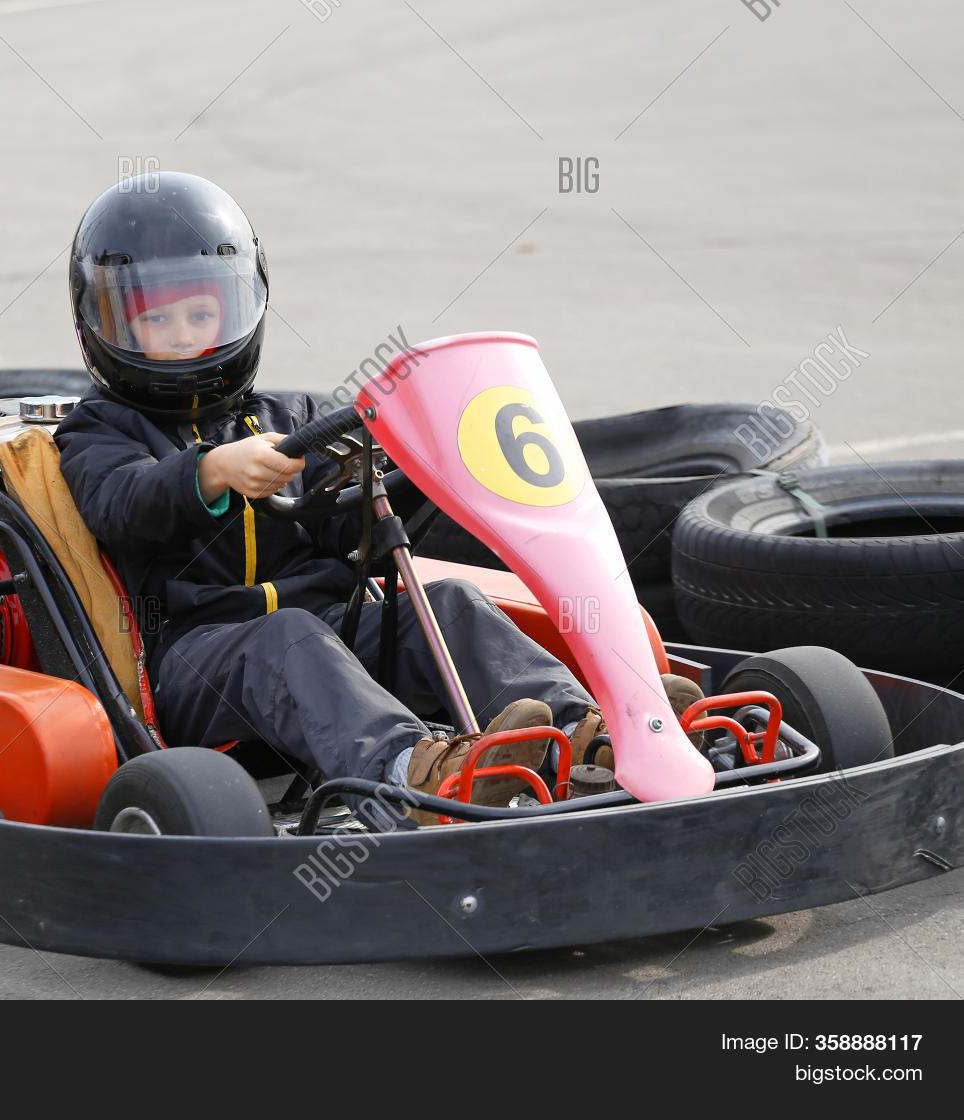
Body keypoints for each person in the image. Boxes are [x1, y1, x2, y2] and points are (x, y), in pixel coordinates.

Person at [53, 172, 699, 823]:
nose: (186, 336)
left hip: (329, 639)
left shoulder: (296, 413)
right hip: (195, 662)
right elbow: (123, 504)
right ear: (104, 322)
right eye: (157, 319)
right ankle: (412, 774)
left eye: (201, 314)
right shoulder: (98, 431)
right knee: (288, 636)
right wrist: (212, 470)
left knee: (450, 603)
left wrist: (402, 482)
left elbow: (360, 547)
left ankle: (590, 737)